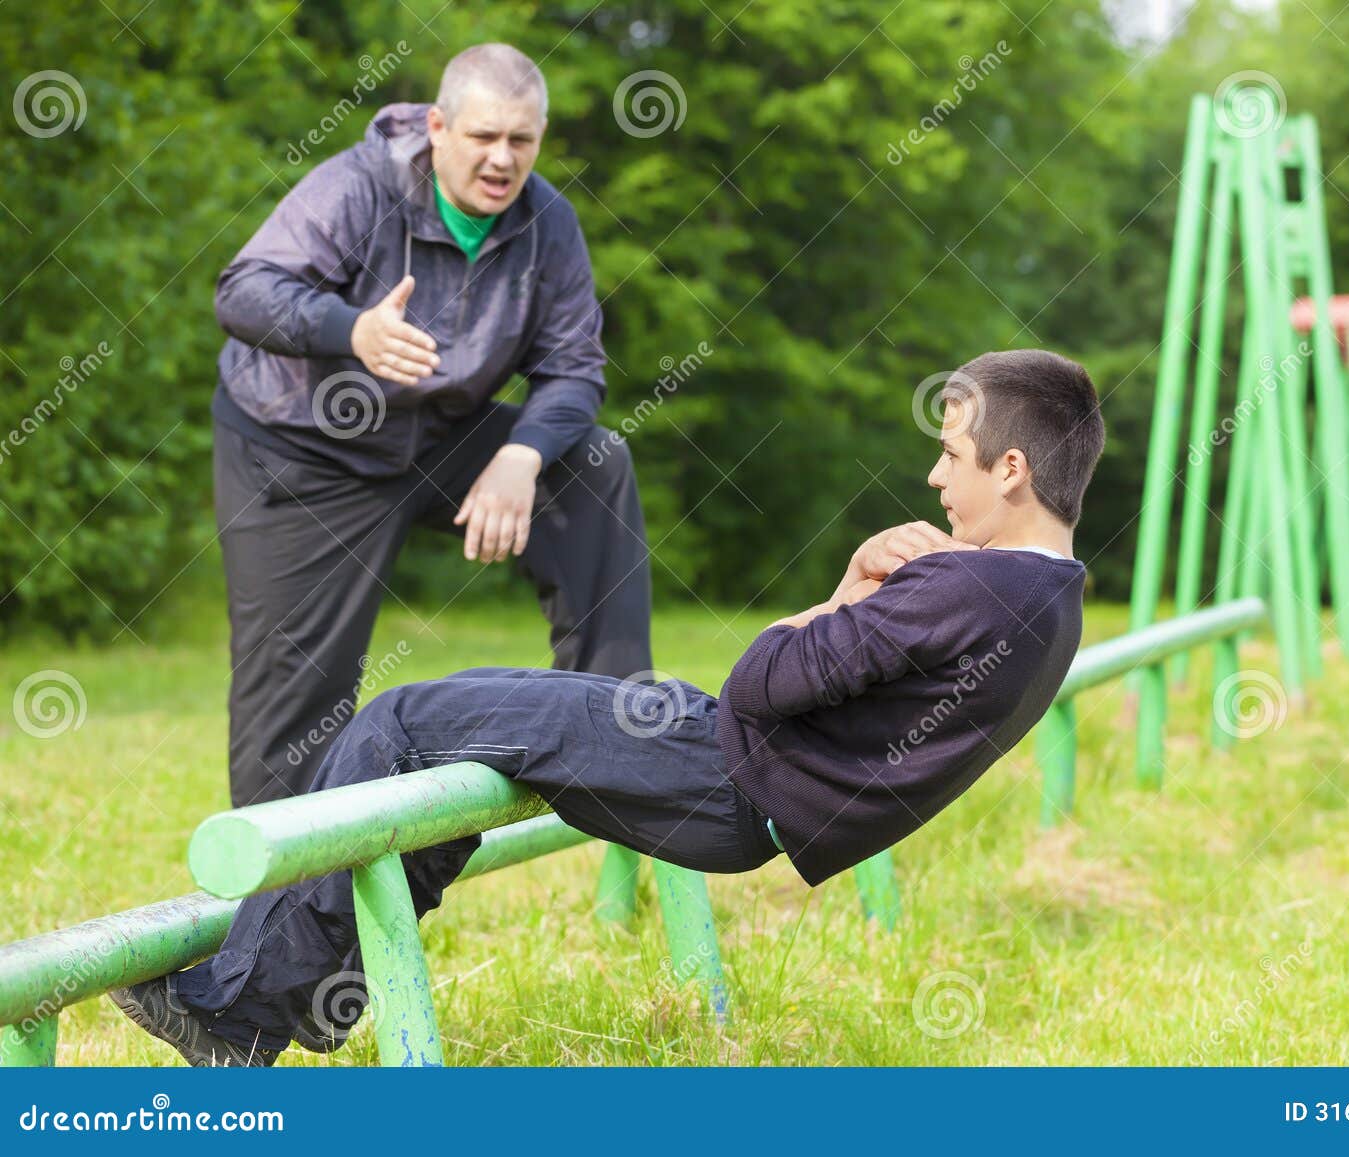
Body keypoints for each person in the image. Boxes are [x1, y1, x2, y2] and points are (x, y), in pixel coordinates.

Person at [112, 349, 1106, 1066]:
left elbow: (762, 678)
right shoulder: (1054, 599)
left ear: (1008, 467)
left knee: (403, 721)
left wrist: (847, 584)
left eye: (952, 452)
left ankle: (240, 1016)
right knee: (458, 758)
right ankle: (309, 987)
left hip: (717, 767)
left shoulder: (960, 586)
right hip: (735, 779)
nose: (935, 476)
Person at [212, 42, 650, 807]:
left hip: (440, 435)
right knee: (295, 707)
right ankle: (274, 914)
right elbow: (244, 289)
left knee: (591, 460)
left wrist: (522, 454)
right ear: (439, 127)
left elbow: (575, 367)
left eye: (522, 140)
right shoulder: (356, 186)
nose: (502, 160)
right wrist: (349, 329)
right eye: (484, 137)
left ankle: (609, 729)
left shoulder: (548, 221)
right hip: (307, 452)